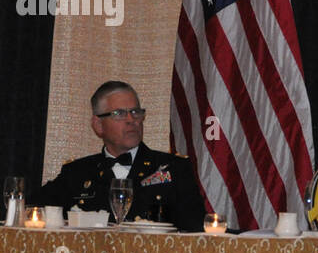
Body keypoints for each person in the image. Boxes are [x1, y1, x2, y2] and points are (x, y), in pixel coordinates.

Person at [36, 80, 206, 232]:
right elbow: (31, 213)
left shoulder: (173, 168)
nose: (131, 120)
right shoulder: (77, 173)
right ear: (98, 125)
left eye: (135, 112)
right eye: (119, 113)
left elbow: (196, 230)